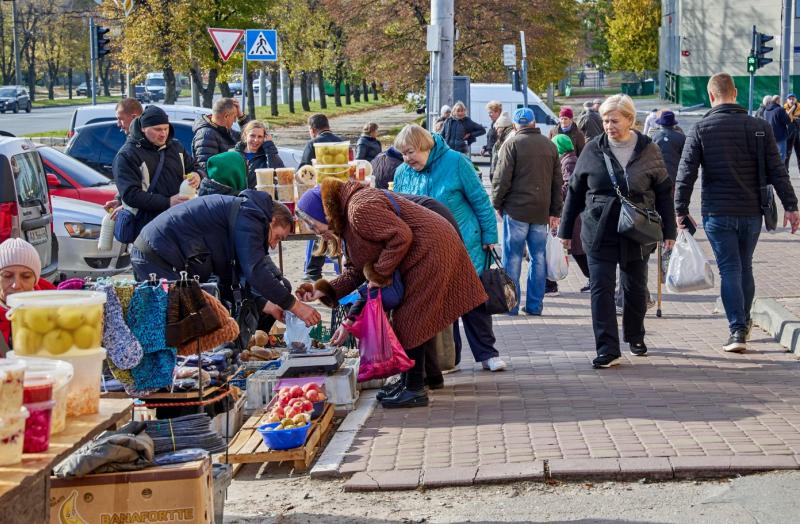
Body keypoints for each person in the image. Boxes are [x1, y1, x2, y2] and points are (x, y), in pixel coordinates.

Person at [294, 178, 489, 408]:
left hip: (431, 250)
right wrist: (321, 290)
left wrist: (379, 273)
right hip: (423, 251)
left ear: (323, 213)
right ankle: (413, 382)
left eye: (315, 226)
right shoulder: (348, 219)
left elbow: (401, 236)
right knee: (411, 318)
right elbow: (356, 272)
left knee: (410, 319)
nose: (318, 233)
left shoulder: (359, 208)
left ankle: (415, 389)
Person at [675, 73, 799, 353]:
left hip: (717, 212)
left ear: (710, 96)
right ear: (735, 93)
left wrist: (680, 209)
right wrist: (791, 206)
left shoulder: (701, 128)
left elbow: (686, 173)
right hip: (752, 210)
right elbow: (778, 170)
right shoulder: (758, 127)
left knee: (729, 268)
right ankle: (743, 322)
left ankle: (736, 329)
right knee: (745, 265)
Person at [558, 94, 676, 369]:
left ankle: (635, 335)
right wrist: (565, 230)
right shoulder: (592, 149)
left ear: (630, 120)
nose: (609, 125)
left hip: (637, 229)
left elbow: (663, 191)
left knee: (634, 287)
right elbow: (575, 192)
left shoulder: (649, 149)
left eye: (615, 120)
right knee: (601, 288)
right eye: (606, 120)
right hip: (599, 228)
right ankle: (607, 348)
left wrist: (669, 230)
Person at [393, 125, 506, 371]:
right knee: (442, 303)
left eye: (411, 152)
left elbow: (479, 200)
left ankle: (488, 354)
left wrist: (489, 235)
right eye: (403, 153)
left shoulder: (456, 162)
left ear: (424, 146)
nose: (407, 158)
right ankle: (449, 358)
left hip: (465, 243)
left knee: (472, 300)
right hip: (428, 251)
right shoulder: (403, 172)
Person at [131, 189, 321, 330]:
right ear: (271, 221)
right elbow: (255, 272)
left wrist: (267, 305)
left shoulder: (247, 215)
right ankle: (169, 380)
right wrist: (295, 306)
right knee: (175, 326)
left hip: (165, 254)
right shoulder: (251, 216)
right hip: (157, 256)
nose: (273, 245)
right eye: (277, 237)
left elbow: (233, 278)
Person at [493, 108, 562, 315]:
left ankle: (511, 306)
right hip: (541, 211)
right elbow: (557, 183)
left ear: (515, 125)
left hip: (516, 210)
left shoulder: (511, 144)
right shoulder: (550, 146)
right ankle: (535, 306)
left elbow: (501, 178)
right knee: (538, 257)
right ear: (533, 123)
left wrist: (497, 203)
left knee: (512, 257)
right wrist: (555, 211)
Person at [113, 105, 199, 236]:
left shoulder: (176, 147)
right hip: (146, 228)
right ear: (143, 128)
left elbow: (195, 167)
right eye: (157, 129)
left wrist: (198, 175)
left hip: (179, 222)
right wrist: (168, 202)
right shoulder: (127, 155)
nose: (163, 134)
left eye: (166, 128)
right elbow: (131, 195)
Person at [299, 113, 345, 281]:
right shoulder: (341, 141)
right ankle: (337, 266)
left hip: (319, 195)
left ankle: (313, 270)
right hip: (341, 194)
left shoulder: (312, 144)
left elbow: (304, 171)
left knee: (321, 231)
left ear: (312, 130)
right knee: (333, 231)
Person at [0, 238, 55, 351]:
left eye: (26, 276)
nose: (16, 285)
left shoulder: (53, 310)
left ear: (35, 280)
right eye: (7, 276)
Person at [552, 134, 591, 292]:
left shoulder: (569, 162)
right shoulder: (569, 159)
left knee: (577, 249)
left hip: (576, 214)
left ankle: (593, 278)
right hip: (576, 212)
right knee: (577, 249)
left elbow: (569, 186)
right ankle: (592, 278)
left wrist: (556, 190)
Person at [192, 97, 249, 176]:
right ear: (226, 116)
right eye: (234, 117)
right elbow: (206, 169)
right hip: (219, 187)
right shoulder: (206, 135)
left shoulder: (225, 130)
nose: (235, 120)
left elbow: (249, 138)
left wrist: (241, 117)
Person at [233, 120, 284, 188]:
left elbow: (279, 174)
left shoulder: (268, 154)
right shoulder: (235, 154)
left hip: (262, 197)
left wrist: (269, 146)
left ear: (264, 138)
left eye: (260, 137)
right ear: (245, 135)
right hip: (240, 197)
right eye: (252, 136)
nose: (256, 140)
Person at [651, 111, 686, 184]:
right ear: (673, 124)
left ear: (661, 124)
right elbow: (686, 158)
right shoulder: (681, 137)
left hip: (658, 177)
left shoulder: (654, 137)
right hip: (676, 176)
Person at [489, 111, 514, 183]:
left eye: (497, 128)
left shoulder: (510, 137)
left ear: (502, 127)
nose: (496, 131)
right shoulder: (504, 137)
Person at [764, 95, 790, 160]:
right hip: (780, 137)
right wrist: (787, 114)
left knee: (772, 157)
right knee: (781, 157)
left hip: (770, 137)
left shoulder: (765, 111)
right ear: (777, 100)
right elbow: (788, 121)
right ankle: (779, 170)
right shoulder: (780, 110)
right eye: (780, 100)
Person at [784, 93, 800, 170]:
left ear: (796, 99)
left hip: (798, 133)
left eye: (793, 98)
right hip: (789, 134)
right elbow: (786, 117)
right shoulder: (784, 108)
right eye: (789, 99)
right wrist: (793, 108)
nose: (791, 100)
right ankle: (786, 172)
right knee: (787, 154)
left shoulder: (799, 107)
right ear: (787, 100)